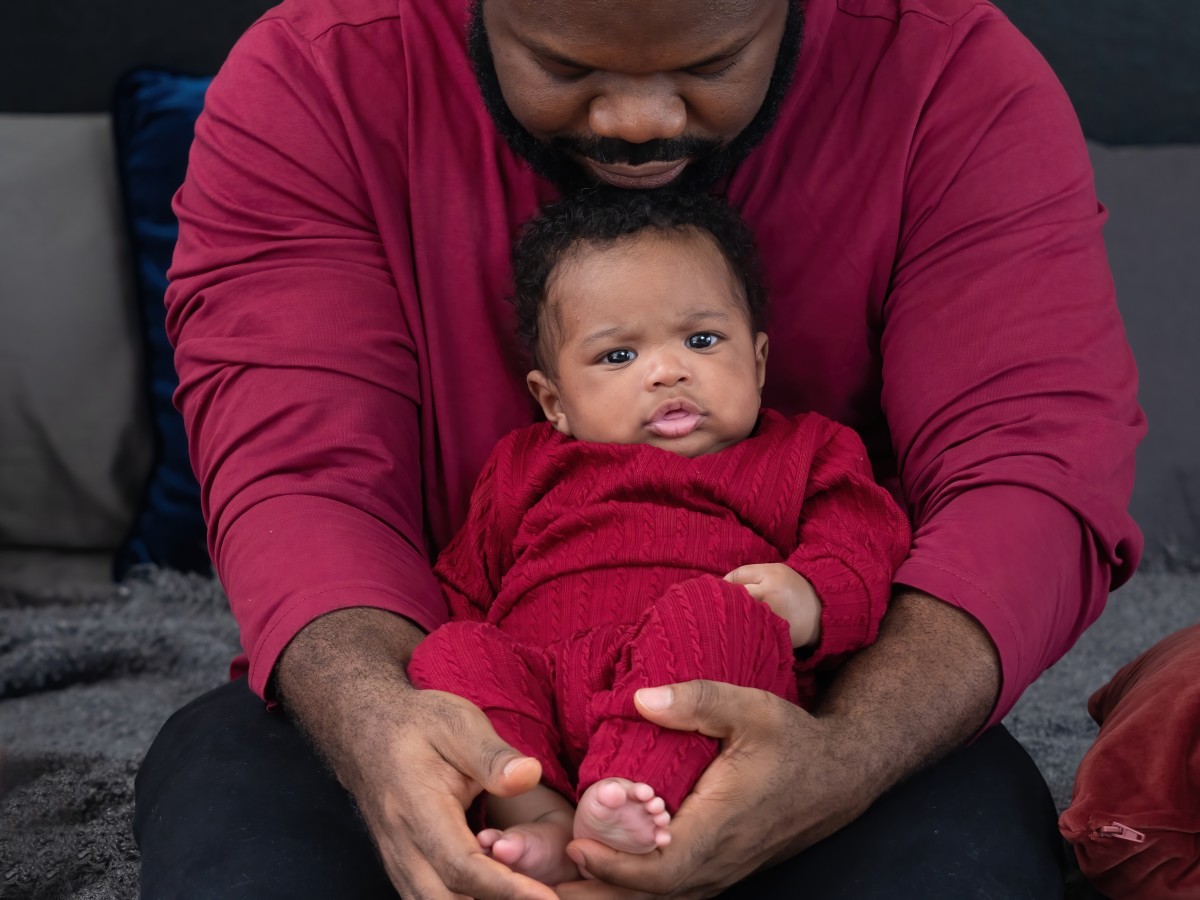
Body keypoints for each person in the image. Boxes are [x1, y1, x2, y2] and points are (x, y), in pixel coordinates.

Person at [133, 0, 1146, 896]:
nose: (638, 122)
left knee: (957, 860)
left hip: (813, 710)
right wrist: (386, 731)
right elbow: (303, 482)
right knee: (233, 812)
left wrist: (844, 755)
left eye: (708, 67)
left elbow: (1030, 469)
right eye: (566, 68)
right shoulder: (315, 79)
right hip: (433, 699)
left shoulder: (954, 78)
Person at [405, 189, 911, 885]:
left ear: (758, 361)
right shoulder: (524, 464)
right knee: (451, 650)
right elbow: (467, 582)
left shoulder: (803, 453)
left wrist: (812, 597)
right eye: (617, 356)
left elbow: (864, 536)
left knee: (722, 610)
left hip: (690, 683)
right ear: (554, 400)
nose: (668, 370)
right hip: (541, 683)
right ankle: (541, 816)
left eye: (702, 341)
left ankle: (632, 795)